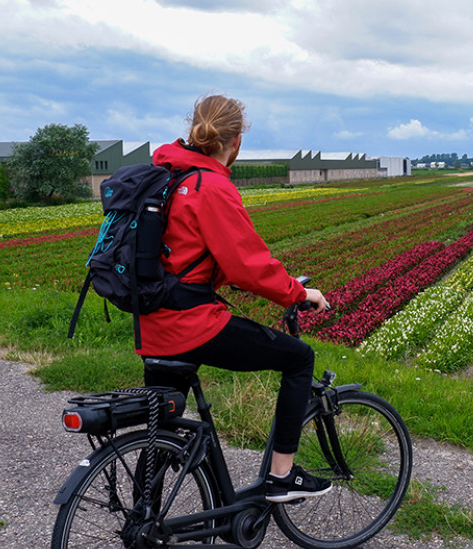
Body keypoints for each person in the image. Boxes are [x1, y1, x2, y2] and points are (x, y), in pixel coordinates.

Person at [138, 93, 331, 519]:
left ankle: (143, 545)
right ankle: (282, 476)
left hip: (153, 324)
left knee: (159, 433)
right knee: (299, 358)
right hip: (192, 325)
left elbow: (184, 255)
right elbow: (248, 263)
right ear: (237, 142)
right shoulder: (211, 186)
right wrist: (298, 294)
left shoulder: (166, 175)